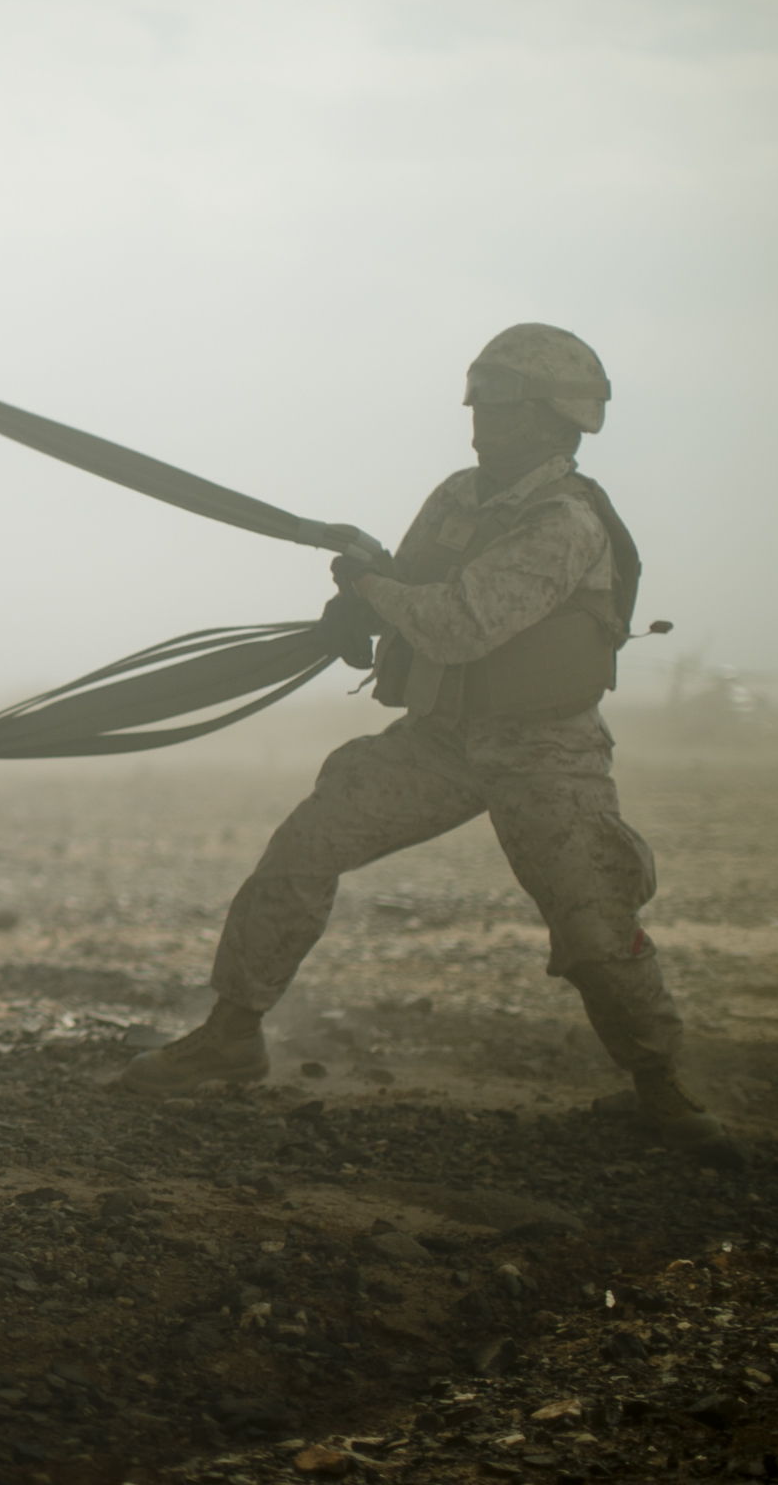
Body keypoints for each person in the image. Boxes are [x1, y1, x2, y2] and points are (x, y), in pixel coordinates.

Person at [117, 324, 730, 1155]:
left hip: (544, 753)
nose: (482, 419)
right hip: (442, 738)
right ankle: (232, 1035)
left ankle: (662, 1086)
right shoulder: (457, 497)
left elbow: (459, 623)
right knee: (307, 843)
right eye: (478, 397)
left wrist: (367, 581)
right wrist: (358, 607)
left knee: (591, 917)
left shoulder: (566, 523)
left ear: (559, 422)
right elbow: (408, 586)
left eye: (505, 403)